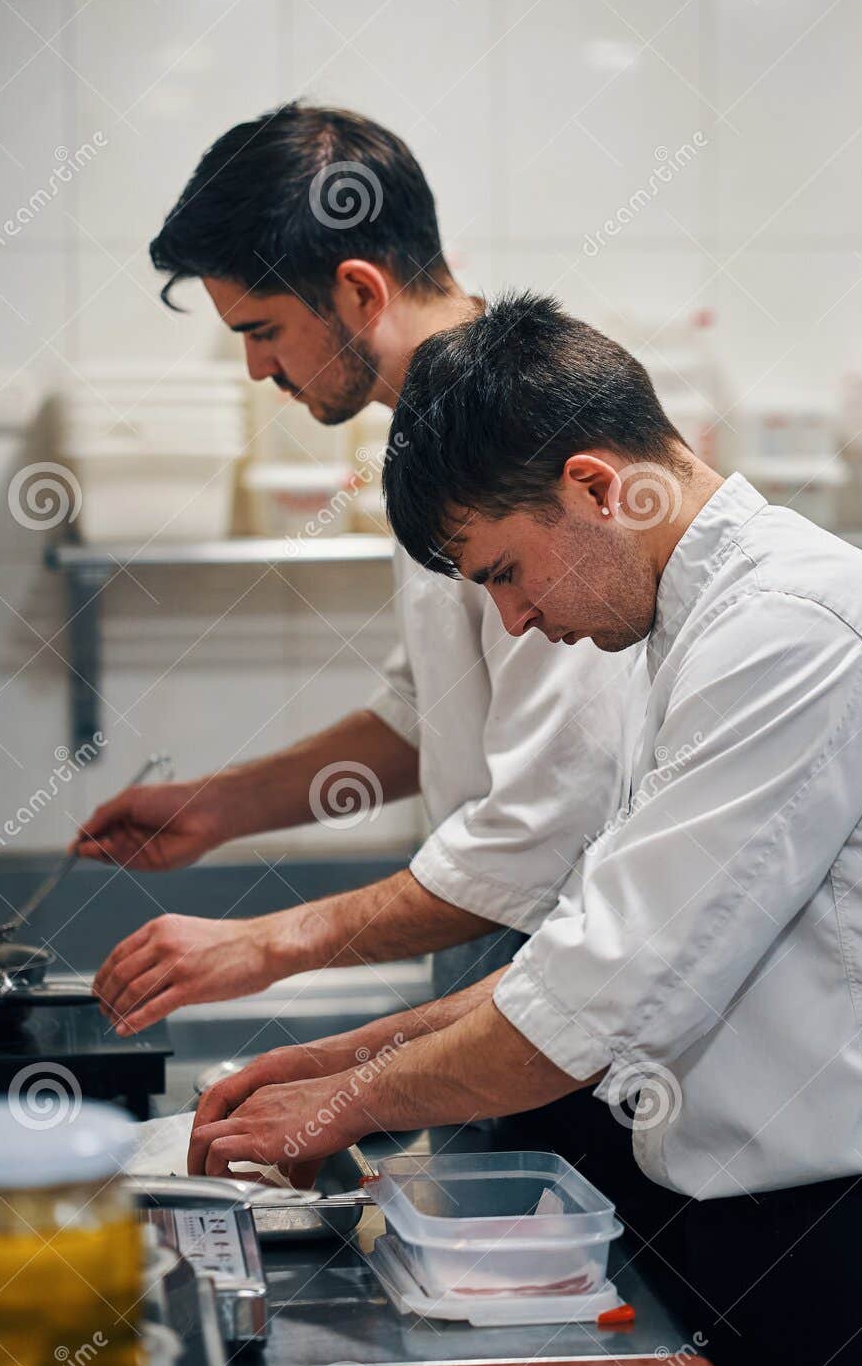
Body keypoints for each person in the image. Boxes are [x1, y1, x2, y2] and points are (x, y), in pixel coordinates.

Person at [191, 292, 862, 1366]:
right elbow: (579, 953)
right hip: (774, 1227)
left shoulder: (791, 630)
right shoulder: (686, 632)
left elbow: (592, 1002)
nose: (518, 620)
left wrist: (342, 1103)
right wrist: (342, 1055)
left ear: (592, 485)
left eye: (502, 571)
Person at [78, 110, 635, 1169]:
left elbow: (556, 809)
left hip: (571, 990)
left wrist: (265, 941)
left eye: (261, 330)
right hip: (485, 947)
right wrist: (221, 806)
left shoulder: (525, 447)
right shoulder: (433, 436)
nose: (254, 371)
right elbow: (431, 713)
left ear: (357, 292)